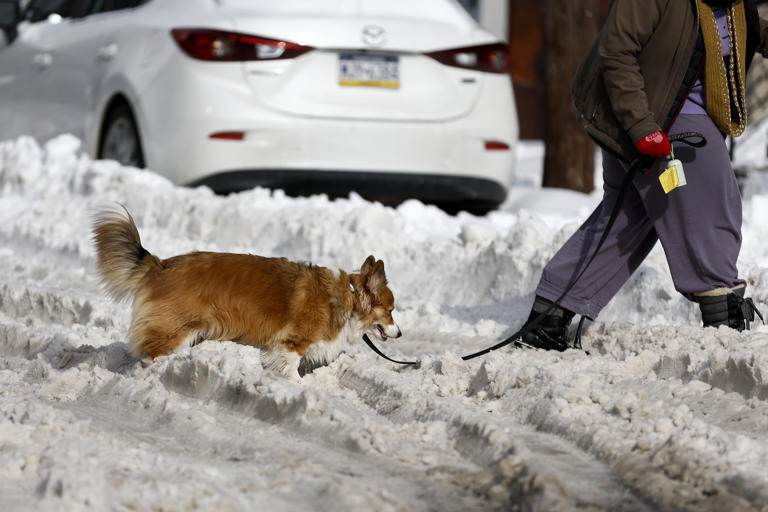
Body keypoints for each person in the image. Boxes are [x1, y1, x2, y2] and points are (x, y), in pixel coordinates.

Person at [521, 0, 768, 351]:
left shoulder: (733, 6)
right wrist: (642, 128)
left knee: (628, 219)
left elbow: (753, 34)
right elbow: (616, 52)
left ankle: (548, 318)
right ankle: (724, 320)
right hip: (649, 116)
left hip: (664, 116)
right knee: (714, 205)